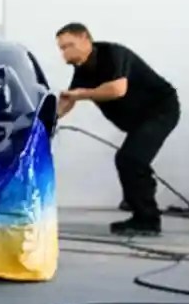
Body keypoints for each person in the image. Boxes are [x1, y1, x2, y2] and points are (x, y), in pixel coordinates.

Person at [55, 22, 179, 236]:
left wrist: (82, 94)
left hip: (160, 110)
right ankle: (137, 201)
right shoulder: (82, 69)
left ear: (86, 38)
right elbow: (68, 99)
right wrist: (47, 121)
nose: (65, 52)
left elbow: (117, 89)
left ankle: (148, 220)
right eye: (62, 48)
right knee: (131, 160)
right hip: (138, 120)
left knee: (131, 160)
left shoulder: (112, 54)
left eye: (69, 45)